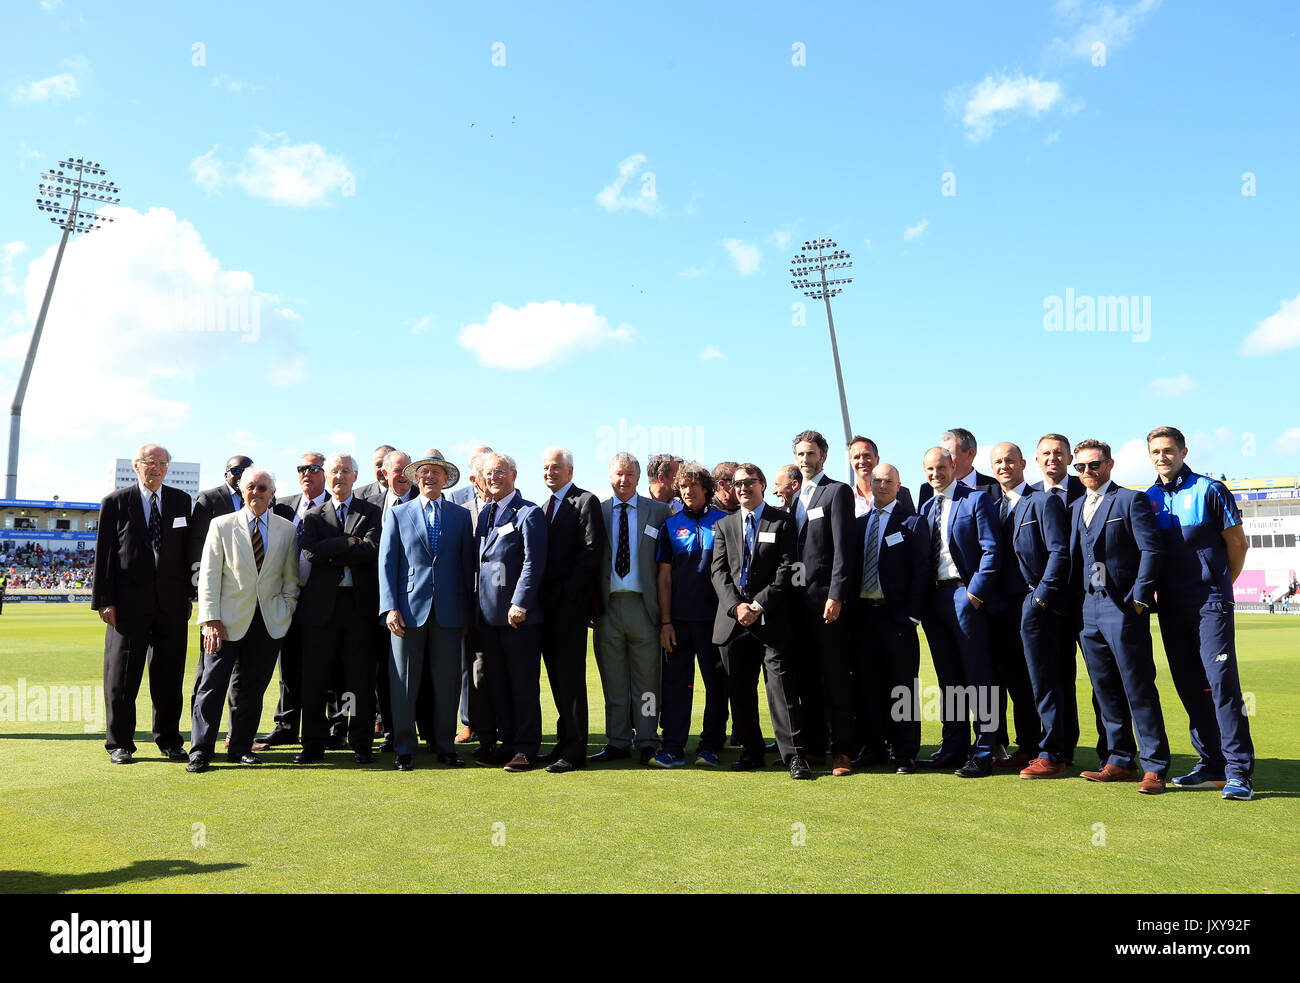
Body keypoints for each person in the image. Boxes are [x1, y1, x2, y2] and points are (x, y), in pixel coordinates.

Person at [1146, 426, 1255, 800]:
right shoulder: (1148, 498)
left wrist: (1221, 587)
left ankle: (1239, 771)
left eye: (1169, 450)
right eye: (1156, 451)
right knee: (1190, 685)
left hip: (1210, 603)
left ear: (1183, 451)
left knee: (1222, 683)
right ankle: (1211, 765)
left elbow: (1237, 544)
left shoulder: (1210, 490)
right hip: (1170, 606)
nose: (1163, 456)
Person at [1069, 439, 1170, 794]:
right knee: (1105, 689)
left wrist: (1141, 597)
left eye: (1093, 465)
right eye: (1079, 467)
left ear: (1109, 465)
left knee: (1137, 687)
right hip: (1088, 610)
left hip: (1123, 608)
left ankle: (1155, 766)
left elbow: (1151, 549)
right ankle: (1120, 759)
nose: (1086, 473)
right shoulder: (1075, 507)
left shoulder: (1130, 500)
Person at [189, 468, 299, 772]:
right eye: (251, 486)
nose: (257, 492)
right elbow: (209, 576)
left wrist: (285, 608)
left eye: (263, 487)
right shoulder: (221, 525)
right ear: (242, 490)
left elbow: (290, 578)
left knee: (251, 691)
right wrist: (210, 618)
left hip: (268, 623)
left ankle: (240, 748)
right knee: (211, 687)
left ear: (272, 493)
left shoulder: (286, 530)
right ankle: (200, 751)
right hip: (223, 623)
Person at [92, 443, 193, 764]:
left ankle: (169, 740)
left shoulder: (181, 501)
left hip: (172, 605)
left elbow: (188, 553)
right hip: (127, 605)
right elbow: (104, 555)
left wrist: (190, 595)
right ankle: (119, 743)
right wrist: (104, 601)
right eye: (150, 463)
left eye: (162, 463)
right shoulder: (116, 502)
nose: (157, 469)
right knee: (121, 679)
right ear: (137, 466)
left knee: (169, 679)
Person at [710, 463, 811, 779]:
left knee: (781, 688)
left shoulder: (781, 521)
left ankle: (794, 756)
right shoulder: (725, 525)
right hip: (733, 621)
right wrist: (736, 607)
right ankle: (751, 752)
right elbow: (719, 572)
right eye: (737, 483)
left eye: (748, 482)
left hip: (772, 619)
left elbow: (788, 569)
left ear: (763, 485)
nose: (742, 488)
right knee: (739, 690)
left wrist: (757, 604)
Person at [379, 452, 476, 771]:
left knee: (448, 683)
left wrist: (465, 614)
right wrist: (390, 607)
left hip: (449, 613)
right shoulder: (398, 514)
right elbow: (388, 564)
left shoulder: (460, 517)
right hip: (407, 611)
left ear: (446, 478)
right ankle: (405, 747)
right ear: (416, 478)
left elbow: (466, 569)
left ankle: (446, 746)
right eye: (424, 472)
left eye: (436, 472)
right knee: (404, 682)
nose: (429, 477)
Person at [987, 442, 1072, 778]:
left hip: (1032, 603)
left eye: (1010, 460)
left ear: (1023, 463)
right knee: (1017, 682)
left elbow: (1058, 552)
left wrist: (1041, 598)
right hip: (1001, 608)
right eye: (997, 462)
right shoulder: (992, 506)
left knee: (1044, 680)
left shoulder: (1043, 500)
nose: (1004, 466)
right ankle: (1027, 746)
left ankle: (1053, 754)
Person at [917, 446, 1001, 777]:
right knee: (949, 679)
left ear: (953, 465)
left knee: (978, 677)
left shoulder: (975, 500)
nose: (935, 474)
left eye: (940, 467)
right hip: (934, 601)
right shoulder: (925, 507)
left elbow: (992, 551)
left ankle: (983, 751)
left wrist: (974, 595)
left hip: (964, 596)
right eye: (929, 470)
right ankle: (953, 747)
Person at [294, 453, 383, 765]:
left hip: (358, 608)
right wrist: (348, 543)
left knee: (357, 681)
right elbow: (311, 552)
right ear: (326, 475)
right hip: (321, 609)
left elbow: (372, 550)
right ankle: (313, 745)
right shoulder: (314, 515)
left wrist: (335, 549)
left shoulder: (372, 511)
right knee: (315, 680)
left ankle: (360, 743)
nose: (340, 476)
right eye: (334, 471)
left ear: (355, 476)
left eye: (346, 471)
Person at [1030, 432, 1105, 765]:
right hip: (1047, 607)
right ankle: (1058, 750)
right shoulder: (1028, 496)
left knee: (1102, 681)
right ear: (1036, 460)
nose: (1052, 458)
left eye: (1059, 453)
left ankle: (1113, 754)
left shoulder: (1087, 490)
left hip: (1088, 602)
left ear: (1069, 460)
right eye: (1046, 453)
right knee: (1054, 681)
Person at [592, 453, 671, 765]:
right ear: (610, 476)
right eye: (617, 474)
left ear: (639, 478)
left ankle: (649, 740)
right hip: (609, 608)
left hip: (644, 607)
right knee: (613, 681)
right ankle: (618, 741)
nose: (622, 480)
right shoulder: (597, 511)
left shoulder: (661, 511)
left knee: (648, 682)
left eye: (628, 474)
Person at [851, 463, 929, 773]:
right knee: (868, 685)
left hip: (897, 617)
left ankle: (905, 751)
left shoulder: (912, 522)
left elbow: (921, 571)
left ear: (899, 486)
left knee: (902, 688)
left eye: (888, 481)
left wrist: (911, 616)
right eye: (877, 480)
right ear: (869, 484)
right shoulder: (858, 524)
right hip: (864, 617)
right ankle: (873, 747)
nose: (881, 485)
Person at [653, 461, 730, 768]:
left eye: (693, 486)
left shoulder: (725, 521)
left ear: (706, 488)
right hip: (680, 622)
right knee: (677, 686)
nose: (687, 491)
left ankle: (710, 746)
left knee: (716, 685)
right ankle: (672, 747)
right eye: (682, 487)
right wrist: (666, 621)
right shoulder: (670, 525)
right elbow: (664, 578)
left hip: (717, 620)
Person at [251, 452, 329, 750]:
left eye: (313, 468)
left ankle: (332, 728)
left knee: (325, 667)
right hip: (284, 599)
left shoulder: (334, 507)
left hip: (321, 598)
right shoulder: (284, 507)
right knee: (288, 667)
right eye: (301, 469)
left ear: (324, 473)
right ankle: (285, 726)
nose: (306, 473)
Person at [790, 429, 857, 775]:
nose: (805, 460)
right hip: (797, 606)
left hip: (827, 603)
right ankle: (815, 747)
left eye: (811, 454)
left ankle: (843, 751)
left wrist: (836, 594)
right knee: (806, 679)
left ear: (823, 457)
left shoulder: (836, 492)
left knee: (834, 678)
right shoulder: (794, 497)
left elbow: (844, 549)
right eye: (800, 454)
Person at [476, 452, 547, 772]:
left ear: (514, 475)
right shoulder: (485, 515)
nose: (494, 478)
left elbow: (534, 562)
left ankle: (527, 748)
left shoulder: (528, 513)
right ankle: (507, 744)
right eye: (489, 474)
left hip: (518, 618)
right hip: (487, 618)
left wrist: (520, 602)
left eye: (500, 472)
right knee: (499, 685)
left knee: (522, 684)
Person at [536, 447, 604, 773]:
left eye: (556, 468)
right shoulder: (543, 507)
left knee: (572, 680)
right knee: (557, 680)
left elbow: (591, 552)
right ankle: (563, 743)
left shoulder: (585, 501)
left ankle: (575, 752)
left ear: (570, 472)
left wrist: (565, 593)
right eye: (546, 467)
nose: (550, 472)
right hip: (545, 609)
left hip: (570, 608)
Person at [359, 448, 414, 749]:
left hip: (412, 603)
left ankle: (424, 734)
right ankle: (391, 731)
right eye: (396, 471)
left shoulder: (426, 499)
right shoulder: (369, 503)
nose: (402, 477)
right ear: (384, 473)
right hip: (372, 603)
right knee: (381, 672)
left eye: (408, 470)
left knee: (412, 672)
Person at [917, 428, 999, 507]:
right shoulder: (927, 489)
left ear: (970, 453)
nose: (942, 458)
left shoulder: (995, 488)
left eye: (948, 453)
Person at [848, 436, 916, 516]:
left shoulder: (901, 493)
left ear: (877, 459)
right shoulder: (846, 497)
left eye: (867, 456)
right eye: (857, 457)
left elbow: (911, 523)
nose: (862, 461)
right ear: (851, 462)